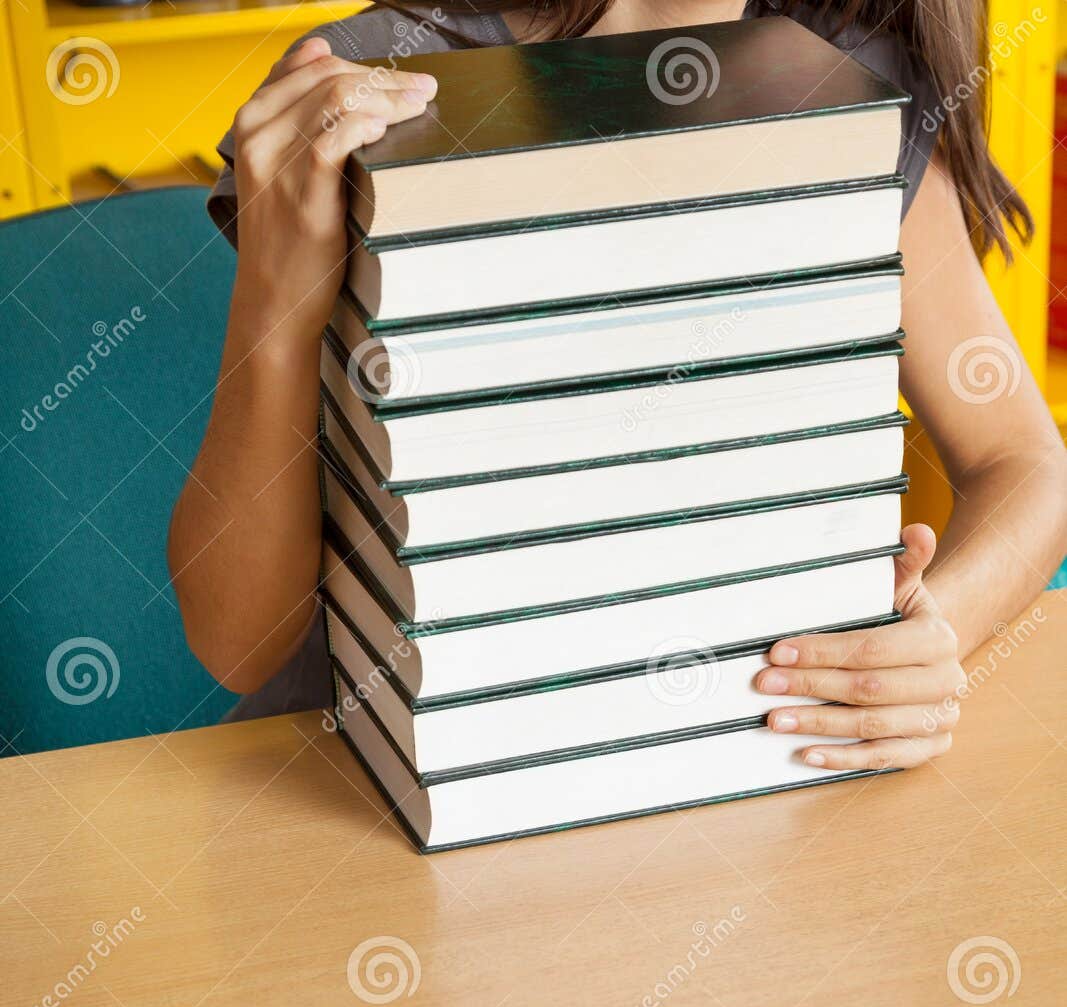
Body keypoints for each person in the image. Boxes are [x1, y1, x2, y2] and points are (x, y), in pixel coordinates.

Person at [169, 0, 1067, 775]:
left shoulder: (847, 79)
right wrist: (275, 311)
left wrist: (928, 635)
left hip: (722, 757)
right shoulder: (377, 78)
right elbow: (239, 645)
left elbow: (1023, 460)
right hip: (365, 777)